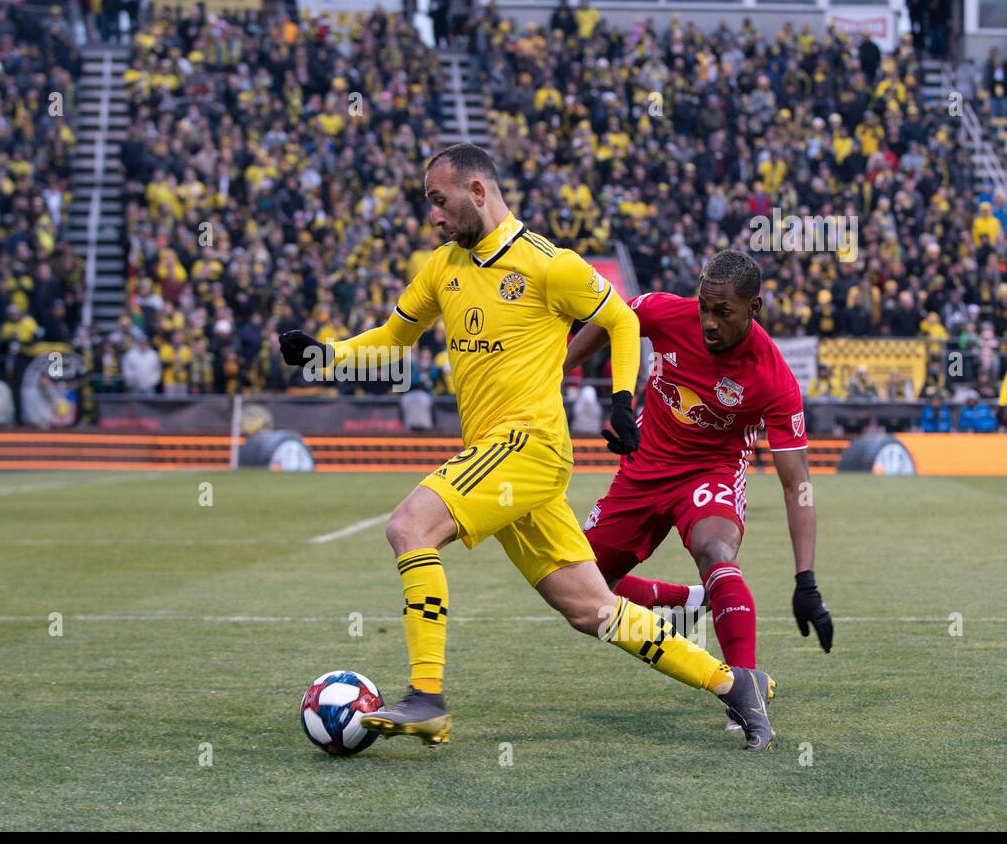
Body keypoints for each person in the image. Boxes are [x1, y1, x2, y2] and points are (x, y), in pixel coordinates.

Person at [278, 144, 777, 752]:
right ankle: (734, 685)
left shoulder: (548, 264)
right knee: (593, 609)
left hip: (528, 444)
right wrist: (324, 355)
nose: (433, 216)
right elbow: (392, 337)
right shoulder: (442, 269)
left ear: (478, 192)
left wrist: (623, 401)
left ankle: (427, 698)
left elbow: (622, 318)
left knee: (409, 526)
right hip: (504, 458)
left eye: (440, 201)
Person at [565, 252, 832, 734]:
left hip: (710, 474)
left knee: (715, 549)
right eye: (704, 307)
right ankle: (686, 600)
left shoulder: (772, 376)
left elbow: (798, 484)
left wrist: (806, 579)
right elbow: (616, 317)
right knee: (577, 582)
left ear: (754, 307)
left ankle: (743, 691)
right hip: (643, 467)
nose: (708, 321)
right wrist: (559, 368)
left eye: (723, 312)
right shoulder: (671, 313)